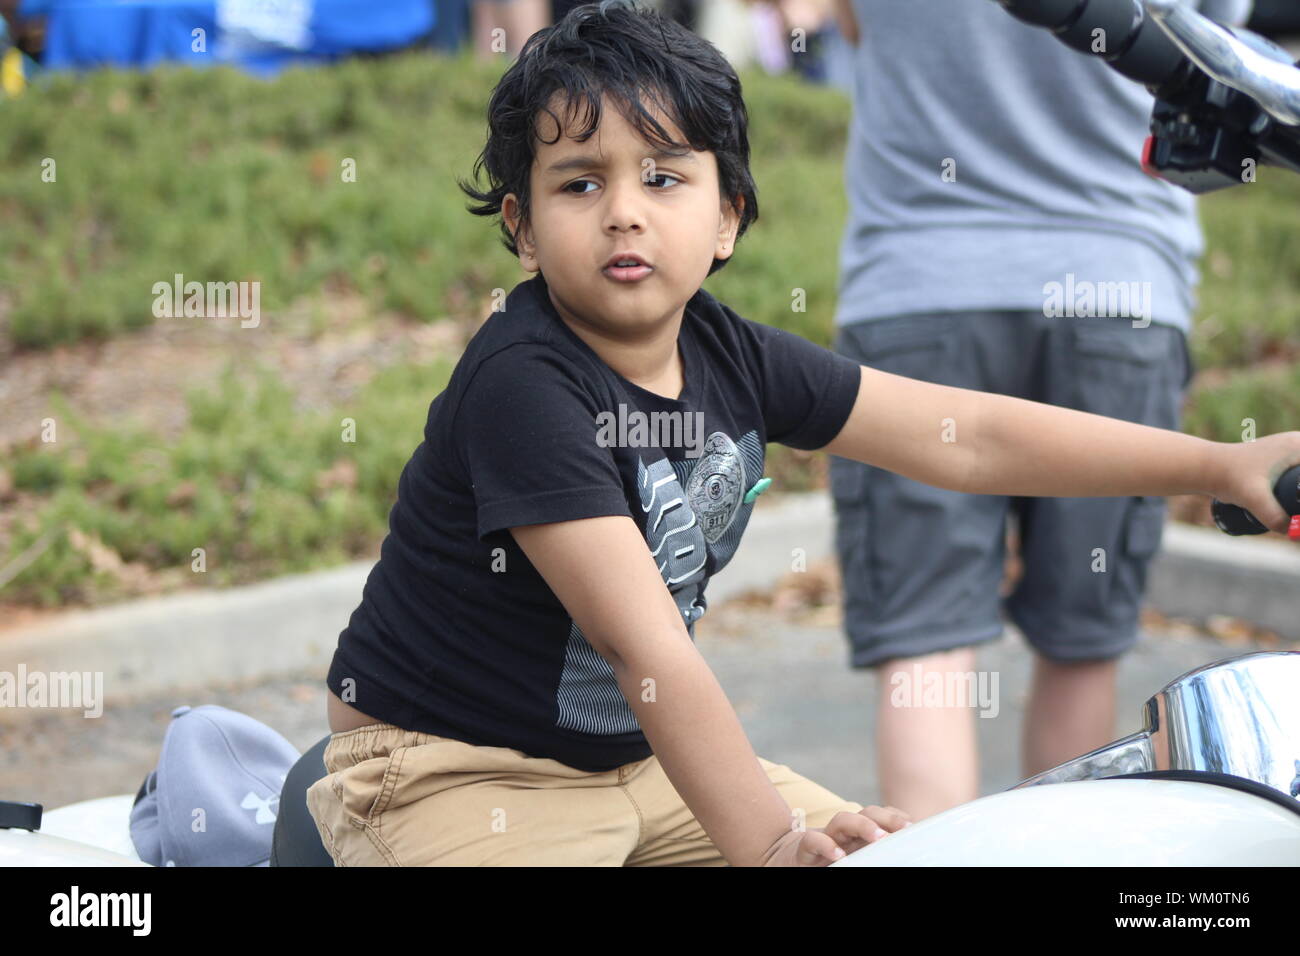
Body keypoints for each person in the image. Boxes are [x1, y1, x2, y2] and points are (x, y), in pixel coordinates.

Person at [305, 0, 1297, 866]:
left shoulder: (729, 352)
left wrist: (1216, 463)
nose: (622, 215)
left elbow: (968, 436)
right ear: (520, 227)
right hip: (452, 770)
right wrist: (771, 841)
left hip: (632, 765)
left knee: (903, 859)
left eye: (662, 177)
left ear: (727, 216)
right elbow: (641, 647)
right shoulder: (523, 384)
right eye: (578, 183)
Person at [827, 0, 1255, 821]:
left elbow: (850, 23)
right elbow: (1216, 57)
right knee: (1081, 644)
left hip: (923, 281)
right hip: (1118, 278)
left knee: (924, 647)